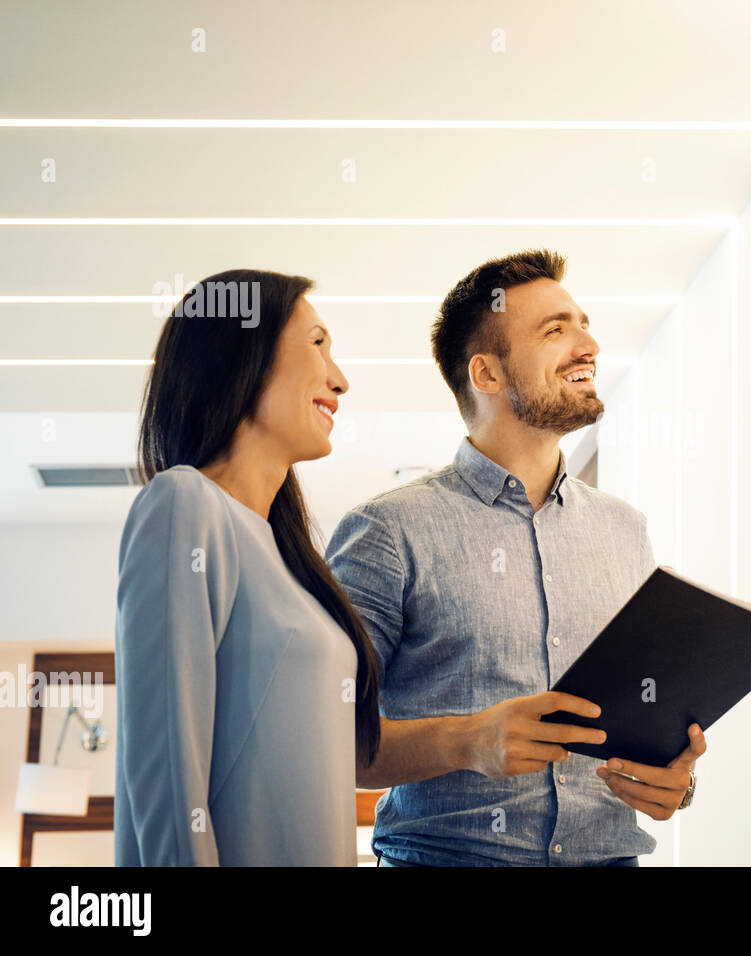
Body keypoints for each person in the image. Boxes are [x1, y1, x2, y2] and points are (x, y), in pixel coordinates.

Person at [326, 248, 706, 866]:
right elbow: (327, 740)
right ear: (487, 374)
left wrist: (675, 780)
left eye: (583, 324)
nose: (588, 346)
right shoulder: (386, 532)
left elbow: (648, 709)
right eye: (556, 330)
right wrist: (466, 741)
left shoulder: (625, 531)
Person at [114, 269, 382, 866]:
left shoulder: (288, 560)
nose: (339, 379)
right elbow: (166, 782)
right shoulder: (185, 504)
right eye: (318, 344)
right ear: (245, 355)